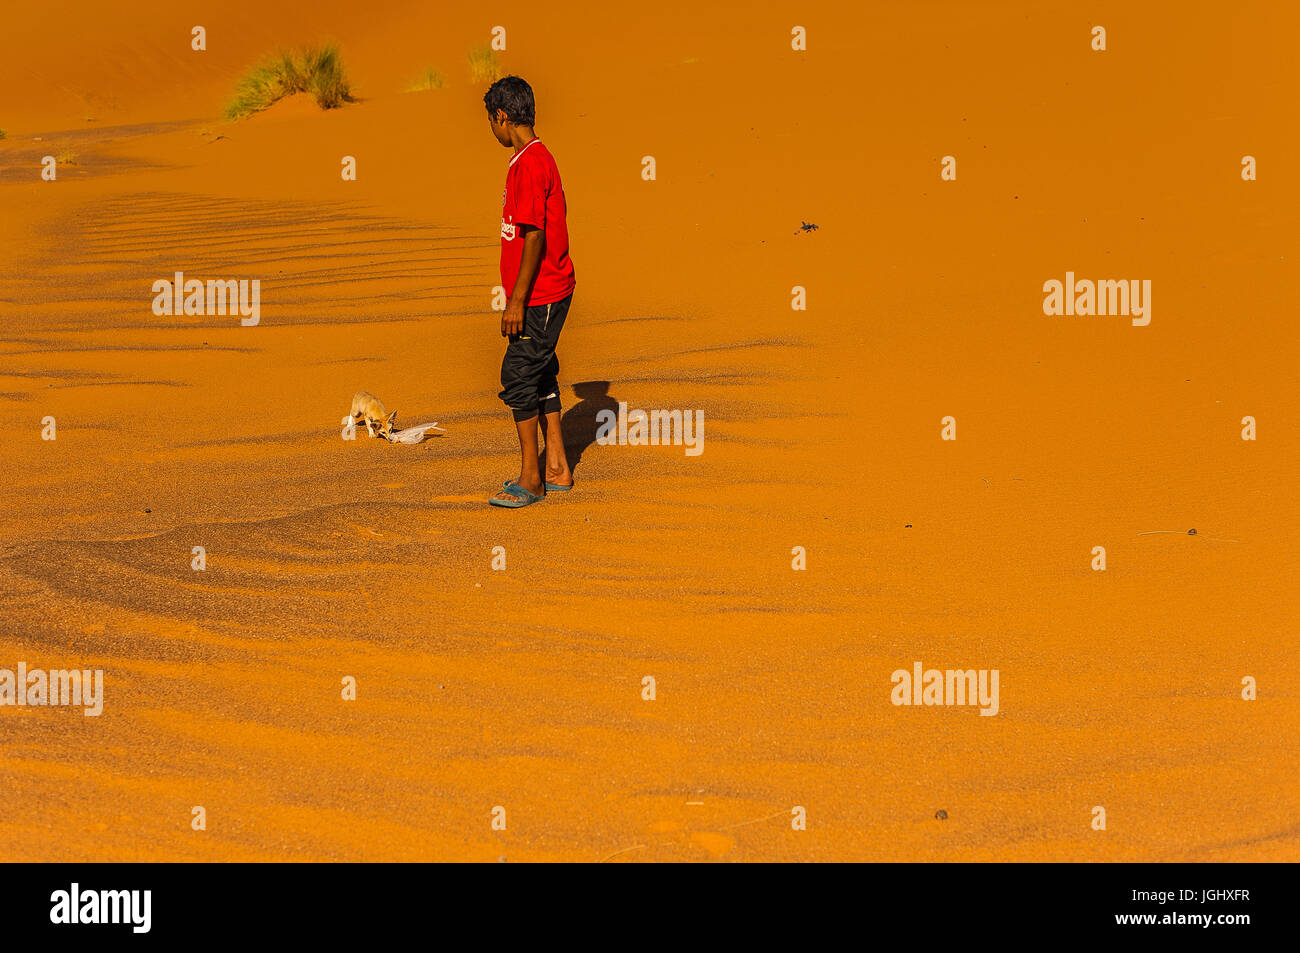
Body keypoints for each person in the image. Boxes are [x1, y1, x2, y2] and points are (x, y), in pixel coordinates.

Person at [484, 76, 576, 508]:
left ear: (502, 116)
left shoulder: (530, 163)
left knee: (517, 377)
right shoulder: (531, 158)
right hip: (544, 291)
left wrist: (516, 300)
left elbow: (535, 236)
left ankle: (531, 478)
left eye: (491, 120)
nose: (492, 130)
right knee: (540, 371)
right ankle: (556, 467)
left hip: (540, 295)